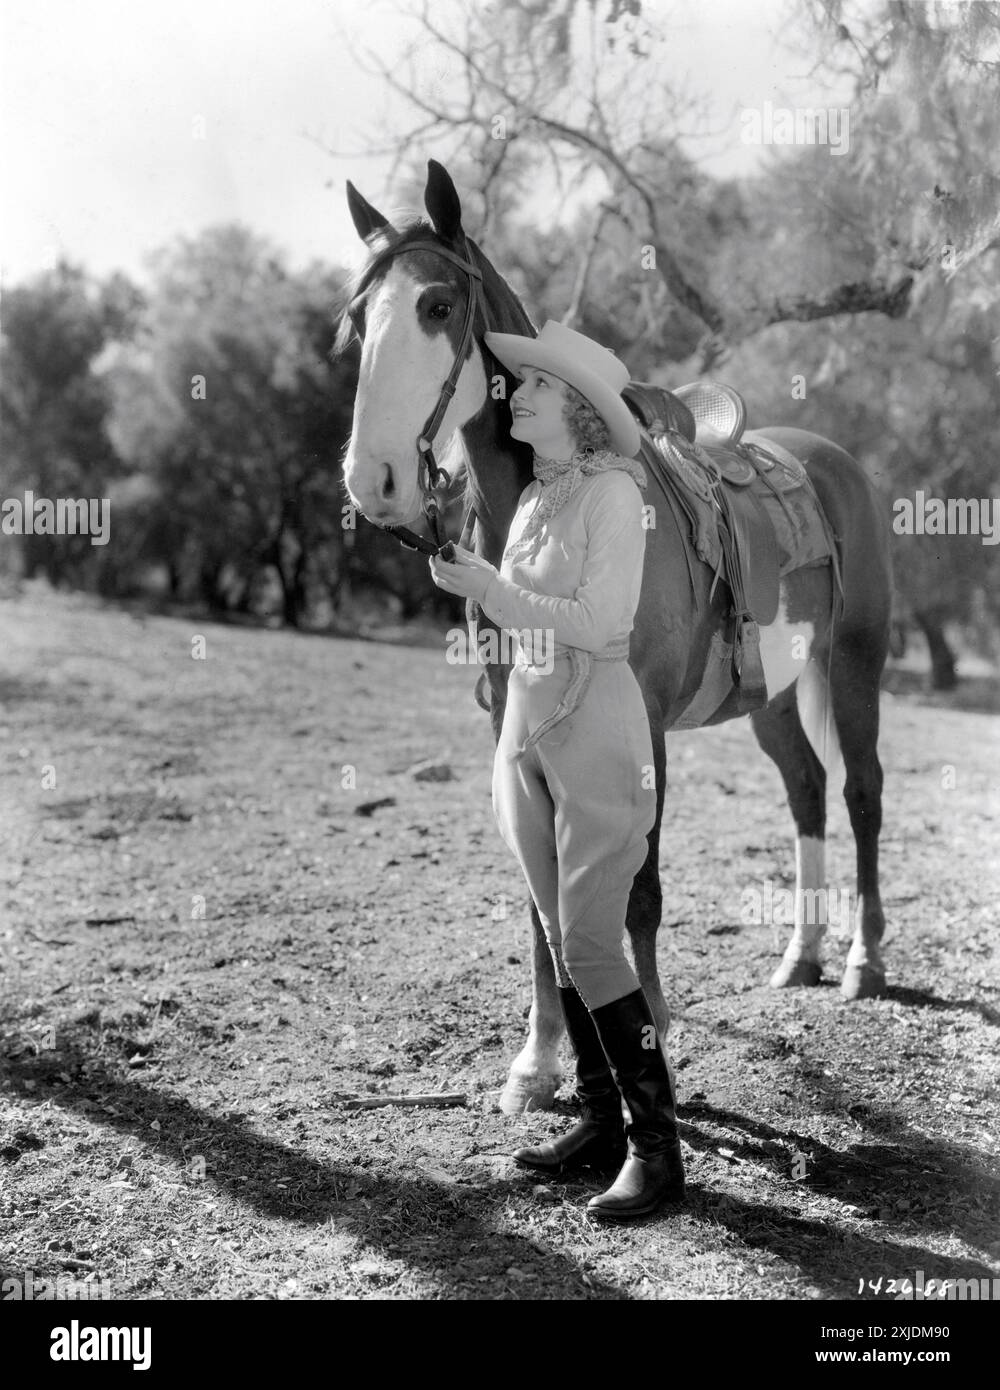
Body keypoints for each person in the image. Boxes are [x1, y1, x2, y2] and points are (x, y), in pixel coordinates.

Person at [429, 320, 685, 1222]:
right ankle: (602, 1123)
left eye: (533, 387)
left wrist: (490, 593)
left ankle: (660, 1155)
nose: (516, 395)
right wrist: (469, 577)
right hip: (529, 726)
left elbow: (601, 624)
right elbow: (523, 618)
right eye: (519, 385)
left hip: (597, 727)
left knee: (588, 938)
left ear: (576, 410)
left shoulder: (614, 498)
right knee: (556, 920)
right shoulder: (536, 498)